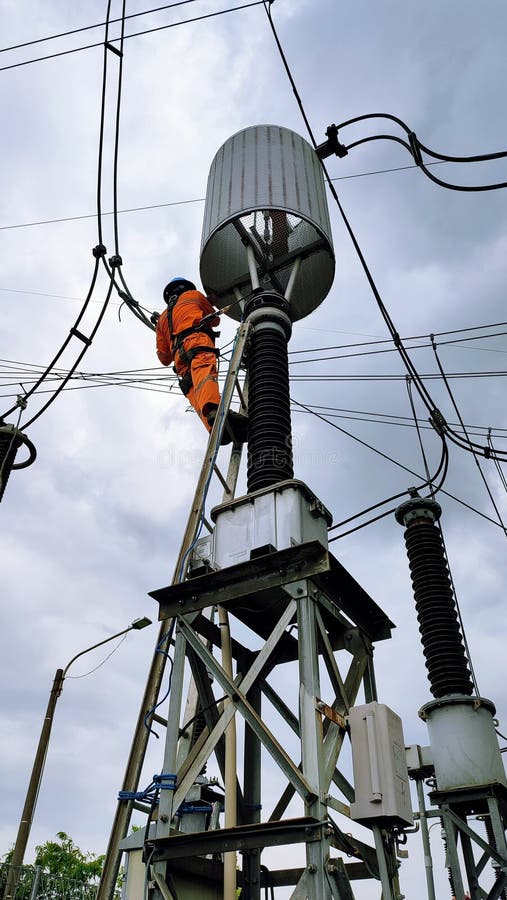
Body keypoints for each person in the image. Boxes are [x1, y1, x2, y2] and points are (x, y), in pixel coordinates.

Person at [156, 278, 247, 444]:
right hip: (196, 340)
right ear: (185, 288)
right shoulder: (194, 295)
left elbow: (164, 358)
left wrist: (165, 330)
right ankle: (215, 410)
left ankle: (216, 429)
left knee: (193, 389)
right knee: (204, 372)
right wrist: (208, 302)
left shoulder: (161, 320)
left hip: (178, 358)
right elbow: (215, 320)